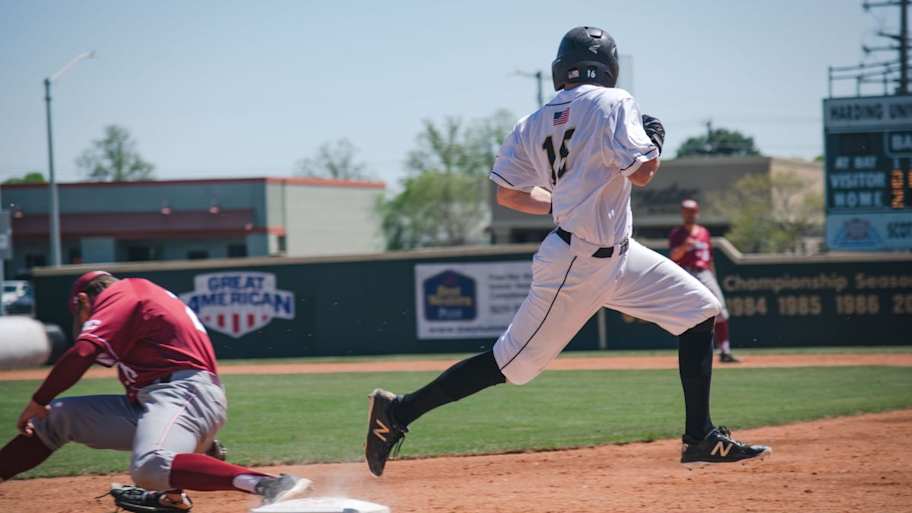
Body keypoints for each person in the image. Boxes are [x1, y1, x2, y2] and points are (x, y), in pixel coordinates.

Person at [364, 26, 770, 477]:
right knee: (513, 364)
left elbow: (509, 195)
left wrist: (559, 200)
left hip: (618, 254)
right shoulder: (615, 101)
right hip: (577, 263)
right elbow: (643, 173)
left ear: (561, 70)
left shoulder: (532, 121)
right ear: (609, 67)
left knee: (699, 310)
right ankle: (397, 412)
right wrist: (655, 140)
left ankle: (700, 436)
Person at [0, 271, 310, 512]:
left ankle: (270, 485)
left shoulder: (124, 293)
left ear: (83, 300)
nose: (84, 321)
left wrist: (37, 400)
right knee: (57, 418)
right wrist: (46, 408)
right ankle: (172, 496)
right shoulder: (138, 298)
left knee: (150, 465)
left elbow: (83, 352)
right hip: (159, 401)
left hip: (184, 394)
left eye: (81, 313)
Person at [669, 199, 739, 363]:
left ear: (697, 212)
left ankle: (725, 351)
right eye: (686, 211)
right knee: (687, 313)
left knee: (719, 309)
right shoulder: (677, 234)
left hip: (704, 272)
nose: (689, 214)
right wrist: (685, 246)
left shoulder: (704, 232)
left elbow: (710, 259)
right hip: (685, 273)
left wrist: (712, 276)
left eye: (692, 211)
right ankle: (693, 353)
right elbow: (673, 257)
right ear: (682, 213)